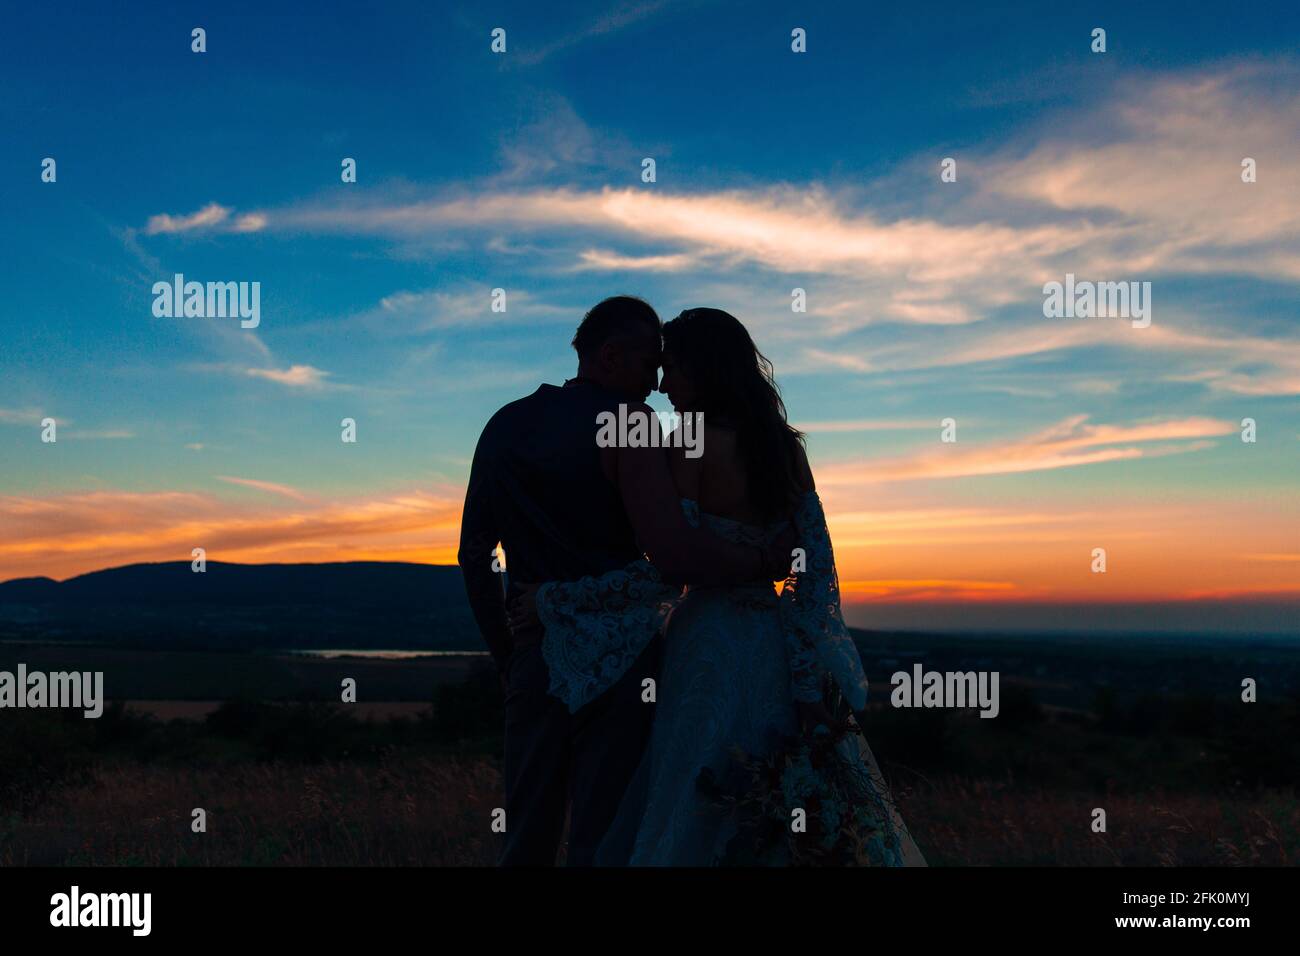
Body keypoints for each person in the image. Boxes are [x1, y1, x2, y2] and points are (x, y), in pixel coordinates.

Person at [508, 307, 925, 866]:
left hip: (704, 649)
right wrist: (806, 687)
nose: (662, 384)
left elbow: (670, 565)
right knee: (771, 804)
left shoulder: (691, 444)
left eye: (673, 367)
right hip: (771, 647)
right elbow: (813, 574)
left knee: (694, 798)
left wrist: (554, 599)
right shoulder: (785, 448)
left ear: (703, 370)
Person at [457, 296, 794, 866]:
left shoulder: (505, 423)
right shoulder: (630, 424)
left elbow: (472, 556)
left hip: (535, 656)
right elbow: (670, 554)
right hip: (623, 665)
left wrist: (508, 657)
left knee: (525, 838)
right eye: (648, 364)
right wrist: (764, 562)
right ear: (610, 355)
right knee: (604, 839)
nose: (657, 383)